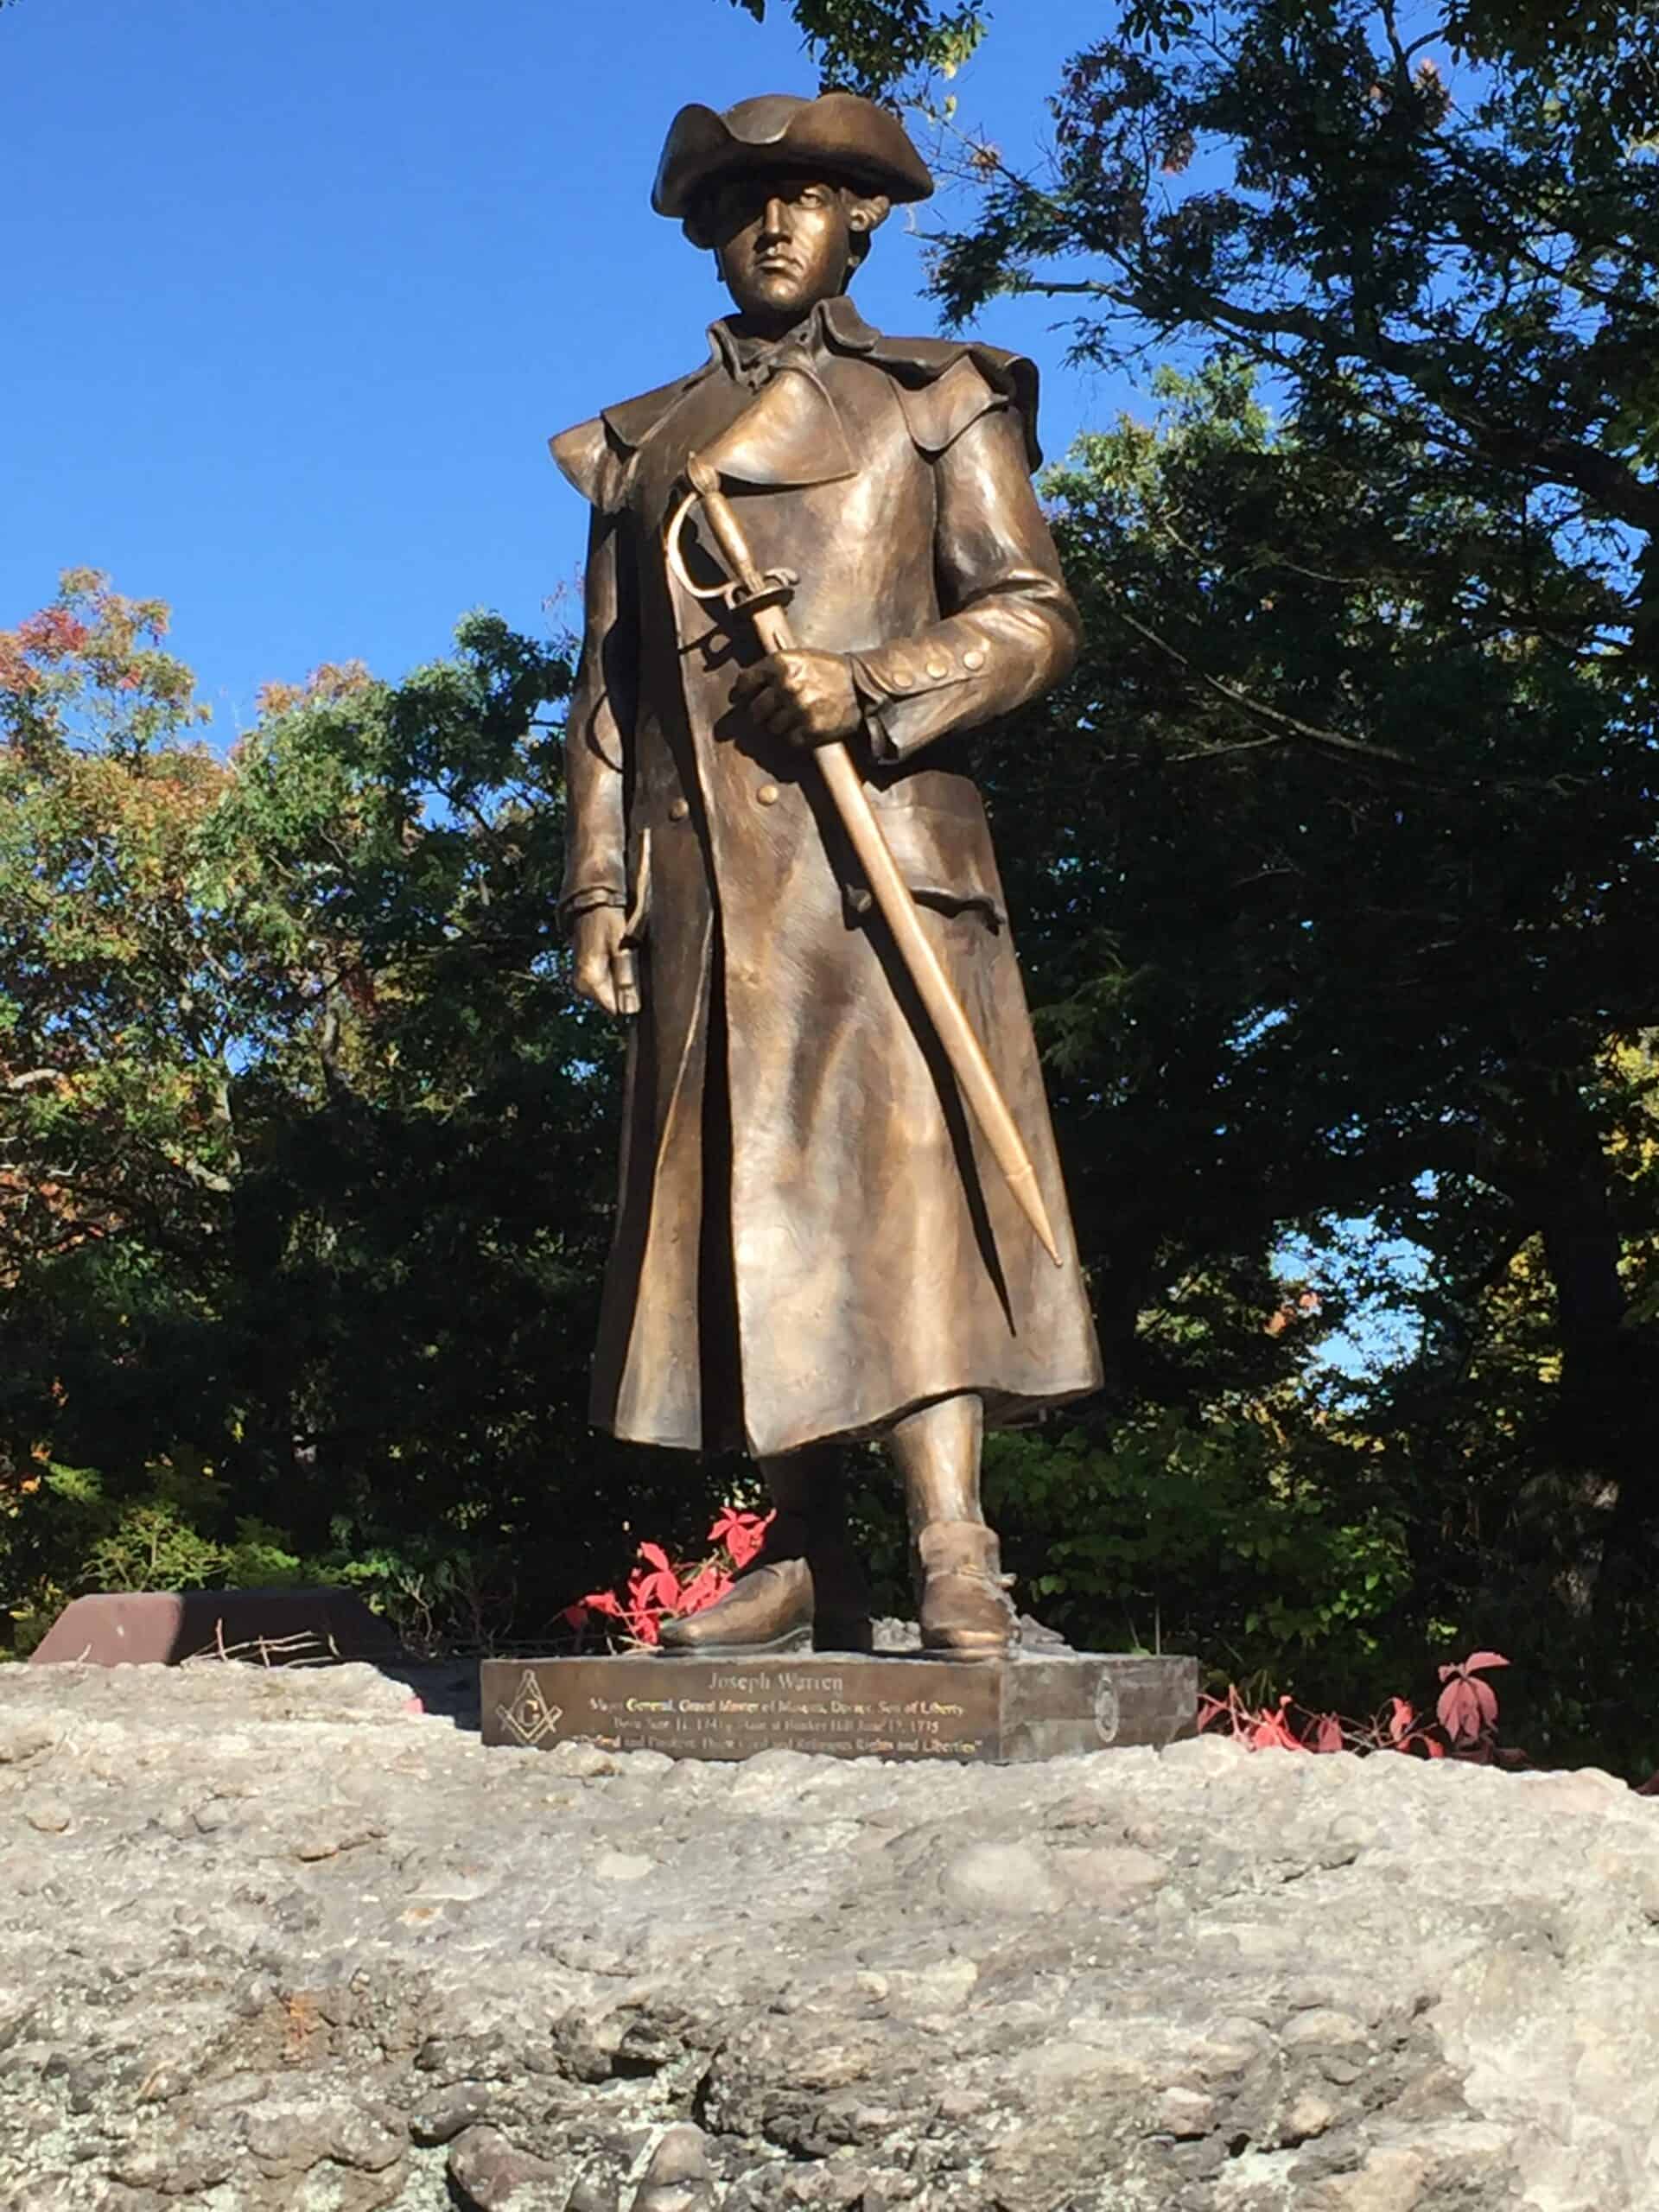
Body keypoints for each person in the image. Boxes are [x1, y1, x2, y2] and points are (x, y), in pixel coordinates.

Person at [552, 91, 1102, 1659]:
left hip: (881, 873)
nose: (774, 223)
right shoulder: (640, 447)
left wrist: (872, 682)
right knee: (746, 1192)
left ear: (865, 220)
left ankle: (954, 1541)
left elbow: (1034, 615)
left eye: (808, 197)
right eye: (743, 200)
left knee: (906, 1188)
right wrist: (596, 885)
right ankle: (806, 1552)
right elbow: (610, 697)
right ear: (708, 229)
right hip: (710, 891)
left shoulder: (939, 399)